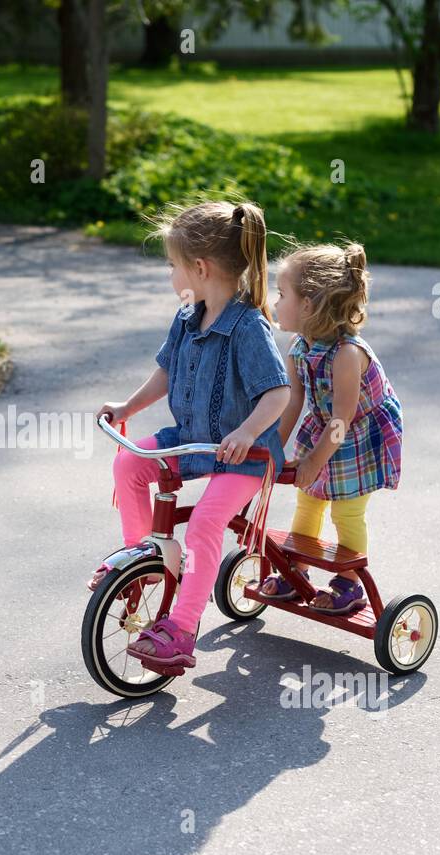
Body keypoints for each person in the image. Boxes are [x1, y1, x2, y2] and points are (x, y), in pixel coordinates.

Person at [91, 199, 291, 674]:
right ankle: (142, 563)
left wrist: (246, 432)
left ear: (198, 268)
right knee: (130, 464)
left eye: (171, 265)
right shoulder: (187, 315)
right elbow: (165, 372)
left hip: (246, 454)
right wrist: (126, 407)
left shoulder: (248, 327)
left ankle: (181, 628)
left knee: (204, 522)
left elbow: (278, 394)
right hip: (193, 438)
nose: (170, 275)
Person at [257, 241, 403, 614]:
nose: (275, 302)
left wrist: (313, 462)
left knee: (346, 511)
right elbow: (291, 401)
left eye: (281, 294)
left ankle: (349, 582)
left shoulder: (347, 354)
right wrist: (273, 448)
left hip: (355, 435)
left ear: (308, 304)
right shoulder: (298, 346)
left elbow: (342, 420)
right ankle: (297, 568)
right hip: (324, 429)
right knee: (308, 500)